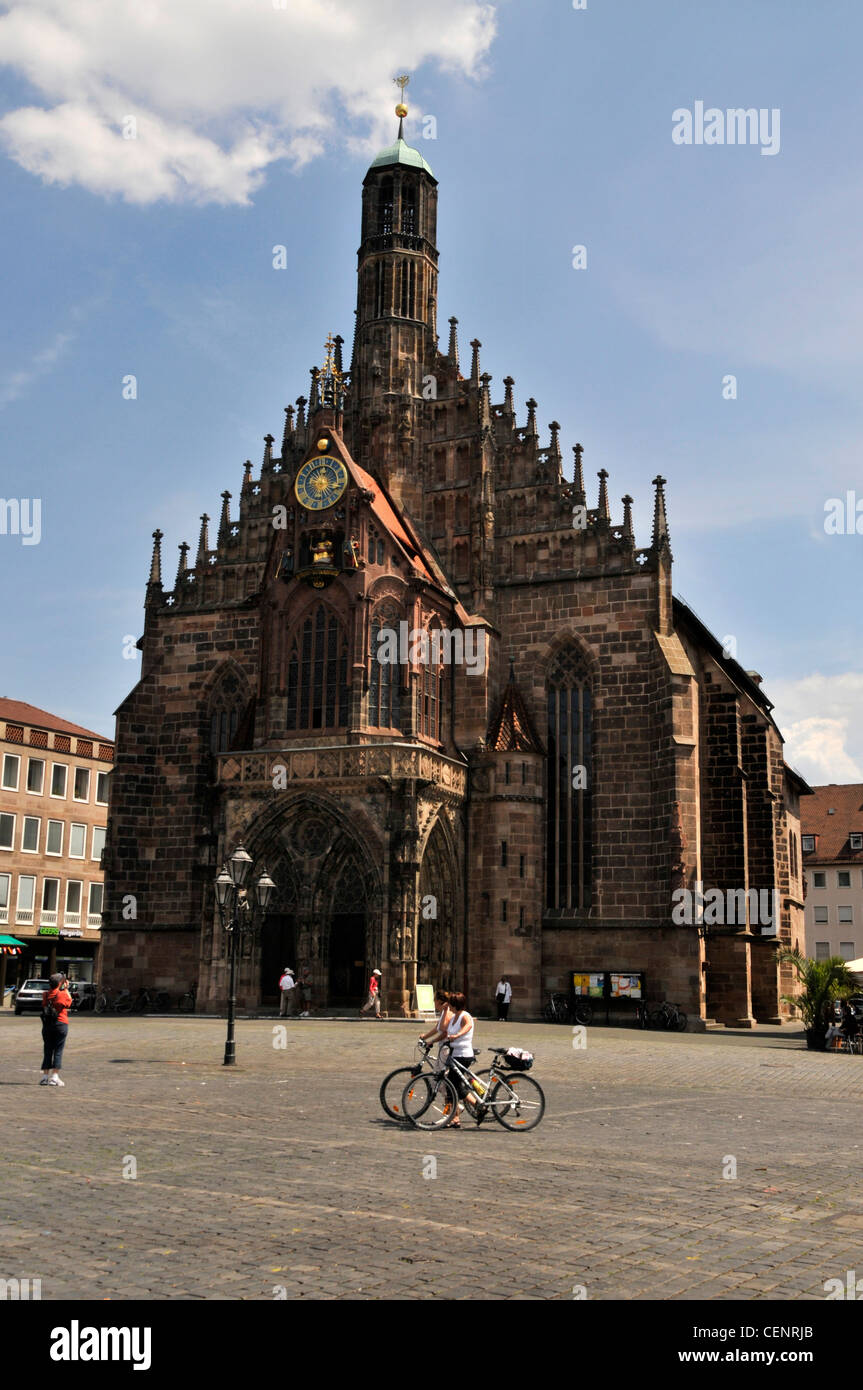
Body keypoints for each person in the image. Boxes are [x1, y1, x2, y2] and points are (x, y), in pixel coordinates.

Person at [442, 991, 476, 1128]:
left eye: (450, 1003)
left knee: (452, 1085)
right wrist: (444, 1011)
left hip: (463, 1055)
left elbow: (468, 1025)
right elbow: (443, 1029)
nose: (448, 1005)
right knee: (454, 1086)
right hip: (454, 1055)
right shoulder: (453, 1017)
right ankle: (456, 1117)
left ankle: (457, 1117)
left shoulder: (464, 1015)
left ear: (455, 1004)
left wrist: (457, 1035)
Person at [41, 972, 72, 1087]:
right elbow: (69, 1002)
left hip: (47, 1025)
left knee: (47, 1050)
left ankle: (45, 1077)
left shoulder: (45, 994)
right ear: (60, 983)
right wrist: (66, 989)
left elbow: (44, 1005)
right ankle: (54, 1077)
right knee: (58, 1050)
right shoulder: (62, 994)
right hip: (60, 1024)